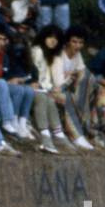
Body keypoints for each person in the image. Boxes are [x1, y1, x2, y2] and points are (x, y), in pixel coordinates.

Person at [0, 23, 34, 139]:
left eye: (4, 39)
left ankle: (7, 122)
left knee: (1, 83)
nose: (1, 42)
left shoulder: (0, 53)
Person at [28, 24, 70, 152]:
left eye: (56, 39)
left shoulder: (50, 55)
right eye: (50, 37)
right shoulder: (37, 51)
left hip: (42, 88)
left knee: (50, 100)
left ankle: (58, 133)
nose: (53, 41)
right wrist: (45, 87)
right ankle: (45, 135)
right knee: (43, 98)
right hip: (30, 86)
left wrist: (51, 88)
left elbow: (46, 79)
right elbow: (34, 72)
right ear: (43, 37)